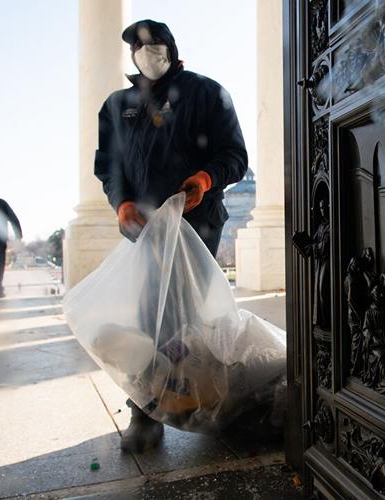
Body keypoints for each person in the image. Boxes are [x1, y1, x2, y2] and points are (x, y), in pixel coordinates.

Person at [94, 19, 248, 453]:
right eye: (139, 48)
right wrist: (121, 203)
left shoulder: (206, 93)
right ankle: (146, 410)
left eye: (155, 45)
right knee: (149, 315)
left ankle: (199, 396)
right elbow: (109, 166)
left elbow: (234, 157)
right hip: (143, 226)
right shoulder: (117, 105)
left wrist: (204, 177)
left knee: (187, 314)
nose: (148, 54)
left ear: (171, 49)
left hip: (196, 223)